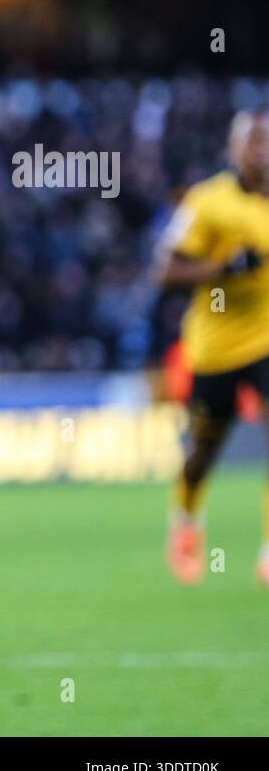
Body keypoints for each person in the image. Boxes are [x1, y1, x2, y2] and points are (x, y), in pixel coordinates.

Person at [157, 108, 269, 587]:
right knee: (204, 447)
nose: (263, 152)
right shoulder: (206, 202)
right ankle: (185, 520)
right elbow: (166, 273)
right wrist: (224, 269)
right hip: (215, 346)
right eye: (255, 142)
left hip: (266, 340)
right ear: (234, 148)